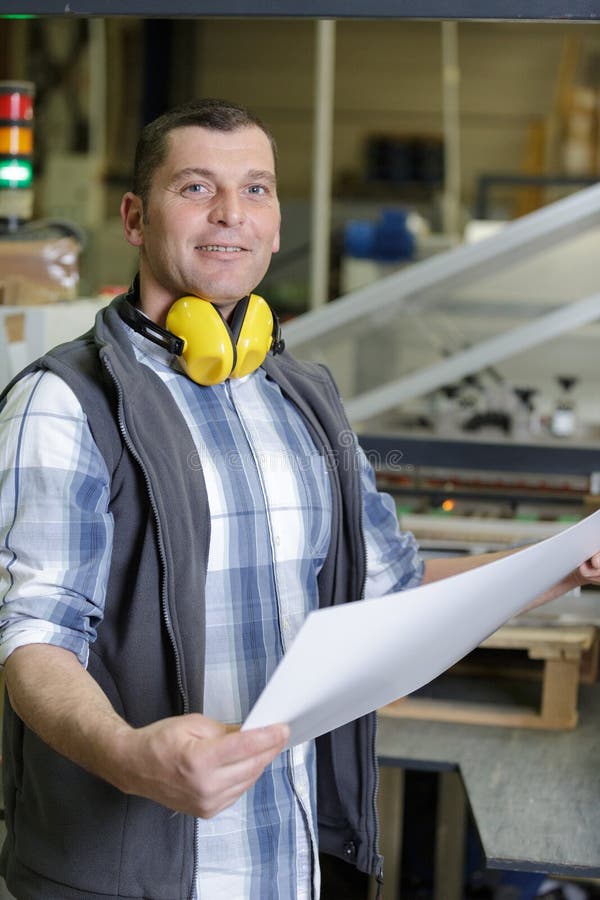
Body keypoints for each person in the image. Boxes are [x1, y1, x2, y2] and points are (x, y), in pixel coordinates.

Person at [0, 98, 599, 900]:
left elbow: (390, 588)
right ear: (136, 218)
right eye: (196, 189)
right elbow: (34, 639)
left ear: (278, 222)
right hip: (138, 870)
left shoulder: (304, 395)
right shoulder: (66, 401)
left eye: (256, 190)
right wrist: (129, 756)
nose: (231, 215)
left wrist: (561, 565)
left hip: (289, 860)